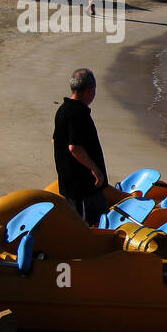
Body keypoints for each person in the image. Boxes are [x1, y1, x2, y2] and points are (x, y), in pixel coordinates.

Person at [53, 68, 109, 226]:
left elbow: (55, 141)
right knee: (96, 223)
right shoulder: (78, 113)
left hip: (68, 182)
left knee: (76, 222)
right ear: (90, 90)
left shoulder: (62, 109)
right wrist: (95, 169)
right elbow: (74, 147)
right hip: (83, 185)